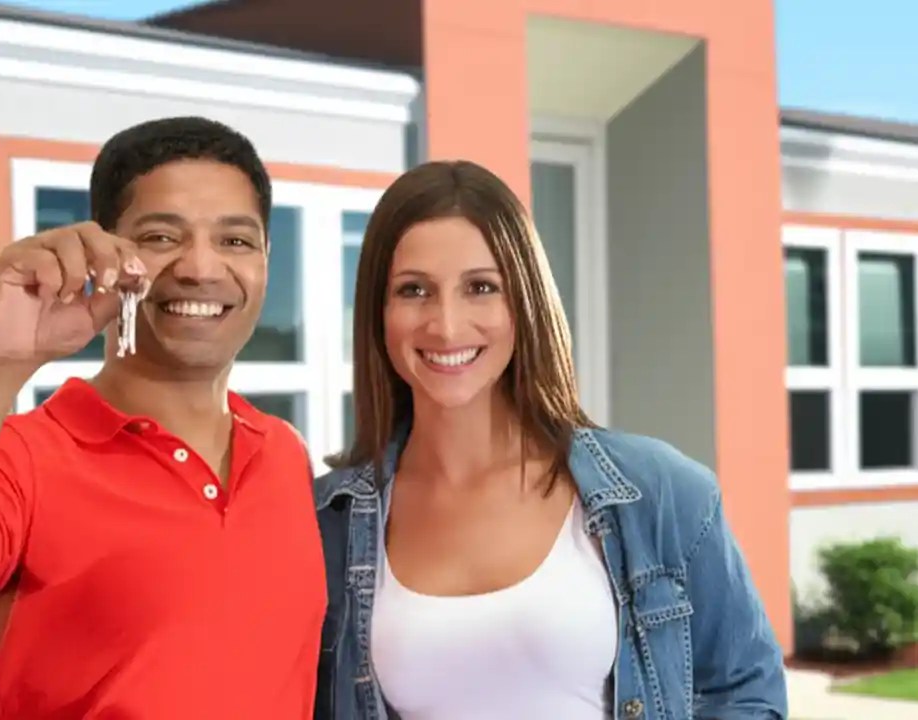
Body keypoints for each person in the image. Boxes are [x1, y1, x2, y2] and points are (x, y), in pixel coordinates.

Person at [0, 116, 327, 719]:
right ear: (108, 254)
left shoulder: (285, 454)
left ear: (265, 260)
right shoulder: (23, 457)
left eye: (236, 241)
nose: (201, 267)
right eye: (162, 237)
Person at [313, 160, 788, 719]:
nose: (445, 325)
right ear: (378, 313)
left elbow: (746, 693)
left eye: (481, 287)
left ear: (525, 303)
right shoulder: (329, 524)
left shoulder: (662, 494)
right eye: (414, 290)